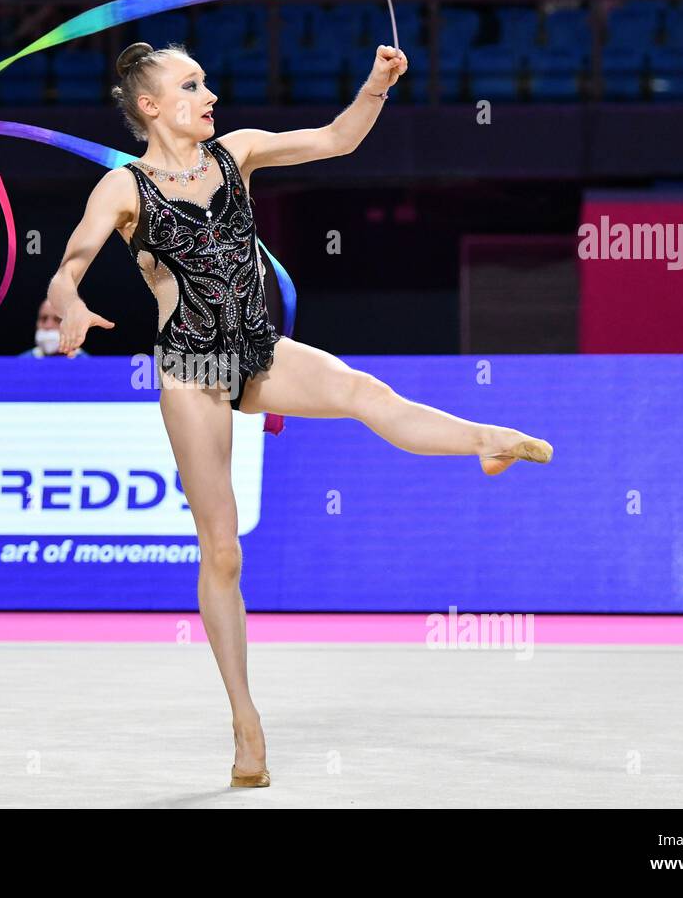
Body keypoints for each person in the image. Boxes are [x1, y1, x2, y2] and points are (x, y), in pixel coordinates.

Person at [46, 40, 554, 788]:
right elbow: (69, 262)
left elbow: (336, 138)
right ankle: (246, 723)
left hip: (258, 348)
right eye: (192, 83)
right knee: (221, 552)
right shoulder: (123, 189)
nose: (210, 91)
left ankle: (485, 440)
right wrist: (72, 306)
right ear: (150, 106)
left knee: (365, 393)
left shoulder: (237, 154)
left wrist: (376, 84)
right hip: (193, 371)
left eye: (206, 77)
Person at [19, 297, 88, 357]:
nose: (48, 326)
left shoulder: (89, 366)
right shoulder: (20, 364)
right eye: (43, 319)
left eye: (58, 320)